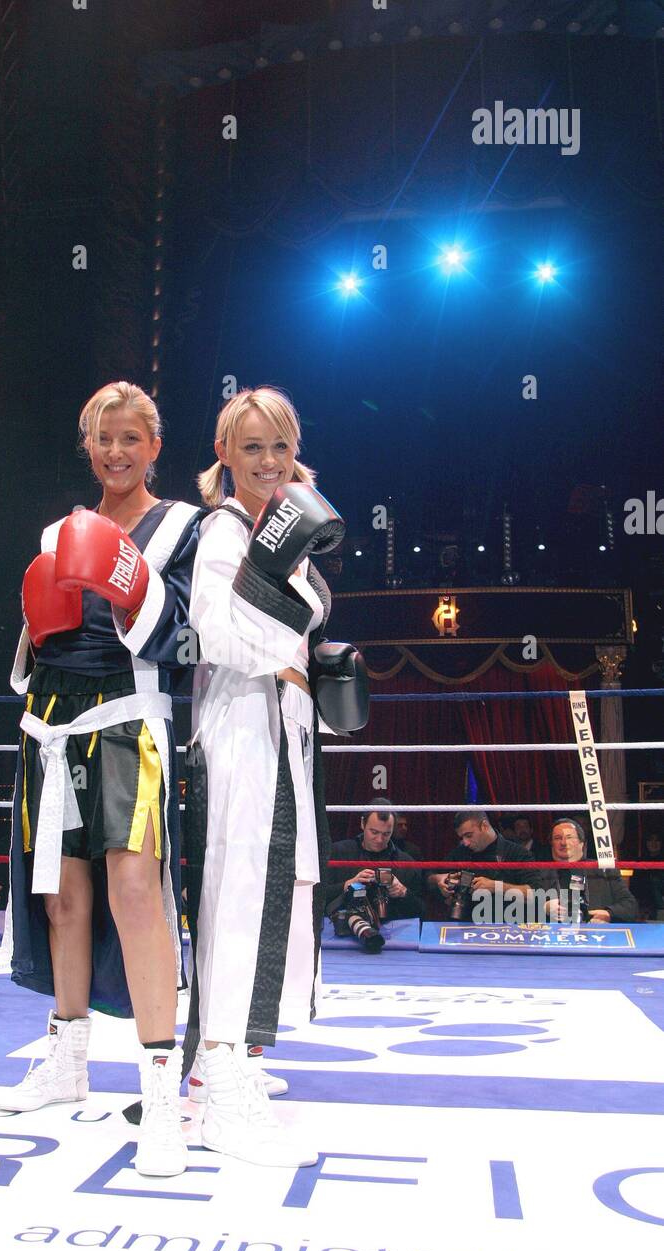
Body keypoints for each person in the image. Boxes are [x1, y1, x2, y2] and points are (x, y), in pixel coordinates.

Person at [0, 380, 202, 1180]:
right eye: (101, 438)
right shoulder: (59, 529)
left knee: (135, 889)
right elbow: (39, 637)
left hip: (130, 716)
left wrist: (130, 587)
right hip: (51, 719)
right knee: (62, 895)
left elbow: (188, 638)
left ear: (155, 445)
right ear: (86, 446)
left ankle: (159, 1092)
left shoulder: (186, 525)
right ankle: (66, 1056)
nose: (115, 452)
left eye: (130, 438)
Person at [185, 385, 366, 1166]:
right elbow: (216, 633)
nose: (268, 461)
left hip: (286, 724)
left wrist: (322, 673)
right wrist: (284, 590)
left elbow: (293, 632)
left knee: (276, 895)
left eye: (280, 448)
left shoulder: (271, 528)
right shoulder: (223, 530)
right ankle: (219, 1079)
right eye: (252, 447)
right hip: (240, 723)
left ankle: (232, 1060)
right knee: (238, 894)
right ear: (225, 453)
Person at [326, 800, 425, 951]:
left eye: (386, 834)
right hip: (340, 937)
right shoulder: (338, 853)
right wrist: (347, 885)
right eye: (374, 832)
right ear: (362, 824)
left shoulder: (405, 862)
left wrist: (403, 893)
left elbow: (422, 911)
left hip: (393, 942)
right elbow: (315, 896)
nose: (379, 840)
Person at [430, 811, 552, 924]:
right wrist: (441, 880)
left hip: (507, 927)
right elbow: (429, 876)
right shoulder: (460, 853)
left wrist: (496, 887)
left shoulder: (517, 853)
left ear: (484, 826)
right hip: (466, 926)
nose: (465, 842)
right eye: (462, 837)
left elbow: (536, 893)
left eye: (469, 835)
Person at [546, 818, 639, 923]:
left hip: (598, 934)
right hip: (555, 935)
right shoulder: (540, 872)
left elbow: (630, 906)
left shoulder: (604, 869)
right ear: (551, 844)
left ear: (582, 843)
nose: (563, 842)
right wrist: (545, 908)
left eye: (569, 837)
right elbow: (527, 906)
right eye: (558, 838)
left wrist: (608, 914)